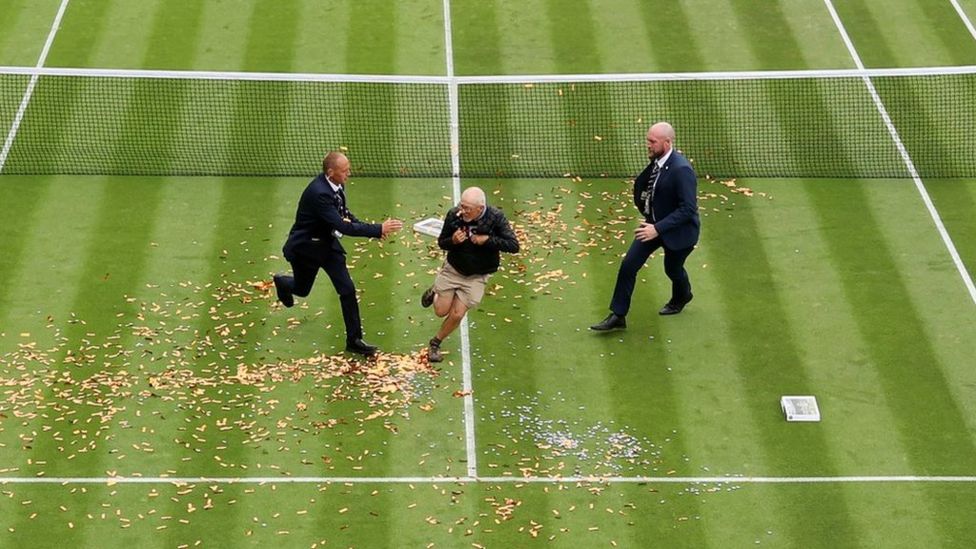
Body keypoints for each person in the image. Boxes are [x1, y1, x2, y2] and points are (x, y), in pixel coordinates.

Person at [273, 151, 403, 355]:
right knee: (302, 289)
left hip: (328, 247)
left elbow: (344, 215)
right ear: (331, 172)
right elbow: (342, 226)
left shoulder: (337, 186)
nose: (348, 174)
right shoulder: (319, 194)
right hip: (306, 249)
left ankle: (354, 340)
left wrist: (375, 232)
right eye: (344, 171)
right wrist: (378, 229)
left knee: (347, 290)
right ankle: (282, 282)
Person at [590, 122, 700, 331]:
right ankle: (618, 315)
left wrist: (657, 228)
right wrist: (649, 215)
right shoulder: (657, 162)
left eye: (652, 141)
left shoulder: (681, 169)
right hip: (653, 225)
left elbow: (688, 209)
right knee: (629, 265)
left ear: (667, 143)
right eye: (647, 140)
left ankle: (683, 295)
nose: (647, 145)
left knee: (673, 269)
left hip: (678, 232)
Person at [420, 187, 520, 362]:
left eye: (467, 208)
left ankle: (435, 343)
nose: (462, 211)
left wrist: (487, 240)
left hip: (478, 275)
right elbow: (442, 242)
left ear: (480, 209)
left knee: (458, 314)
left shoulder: (496, 218)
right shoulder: (454, 215)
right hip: (454, 269)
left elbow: (513, 245)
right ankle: (435, 292)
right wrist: (453, 241)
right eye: (461, 205)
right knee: (440, 311)